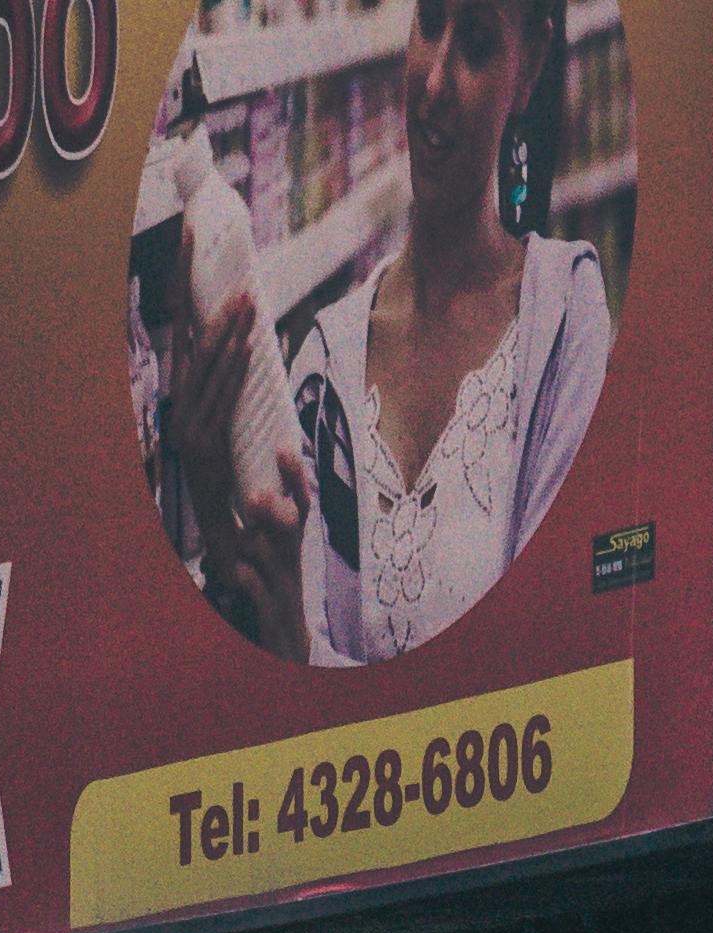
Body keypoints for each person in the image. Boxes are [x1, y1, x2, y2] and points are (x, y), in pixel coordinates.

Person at [136, 0, 617, 664]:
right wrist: (216, 508)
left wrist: (302, 650)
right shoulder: (325, 361)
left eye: (477, 45)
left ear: (529, 66)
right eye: (430, 22)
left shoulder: (563, 317)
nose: (436, 81)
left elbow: (550, 646)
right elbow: (290, 647)